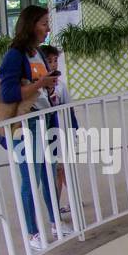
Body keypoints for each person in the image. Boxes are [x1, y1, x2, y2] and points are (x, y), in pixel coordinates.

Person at [0, 5, 64, 251]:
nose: (48, 28)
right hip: (26, 125)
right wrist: (41, 84)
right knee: (30, 178)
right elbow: (8, 93)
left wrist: (48, 86)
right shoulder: (15, 55)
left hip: (44, 120)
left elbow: (39, 86)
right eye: (44, 23)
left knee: (48, 174)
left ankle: (56, 222)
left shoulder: (36, 53)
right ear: (31, 25)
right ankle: (32, 233)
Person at [39, 44, 75, 218]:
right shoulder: (38, 89)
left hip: (60, 133)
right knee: (56, 171)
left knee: (61, 169)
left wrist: (74, 129)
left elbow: (70, 109)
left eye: (55, 61)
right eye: (49, 61)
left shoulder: (61, 86)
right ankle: (58, 207)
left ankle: (70, 202)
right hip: (47, 136)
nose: (53, 64)